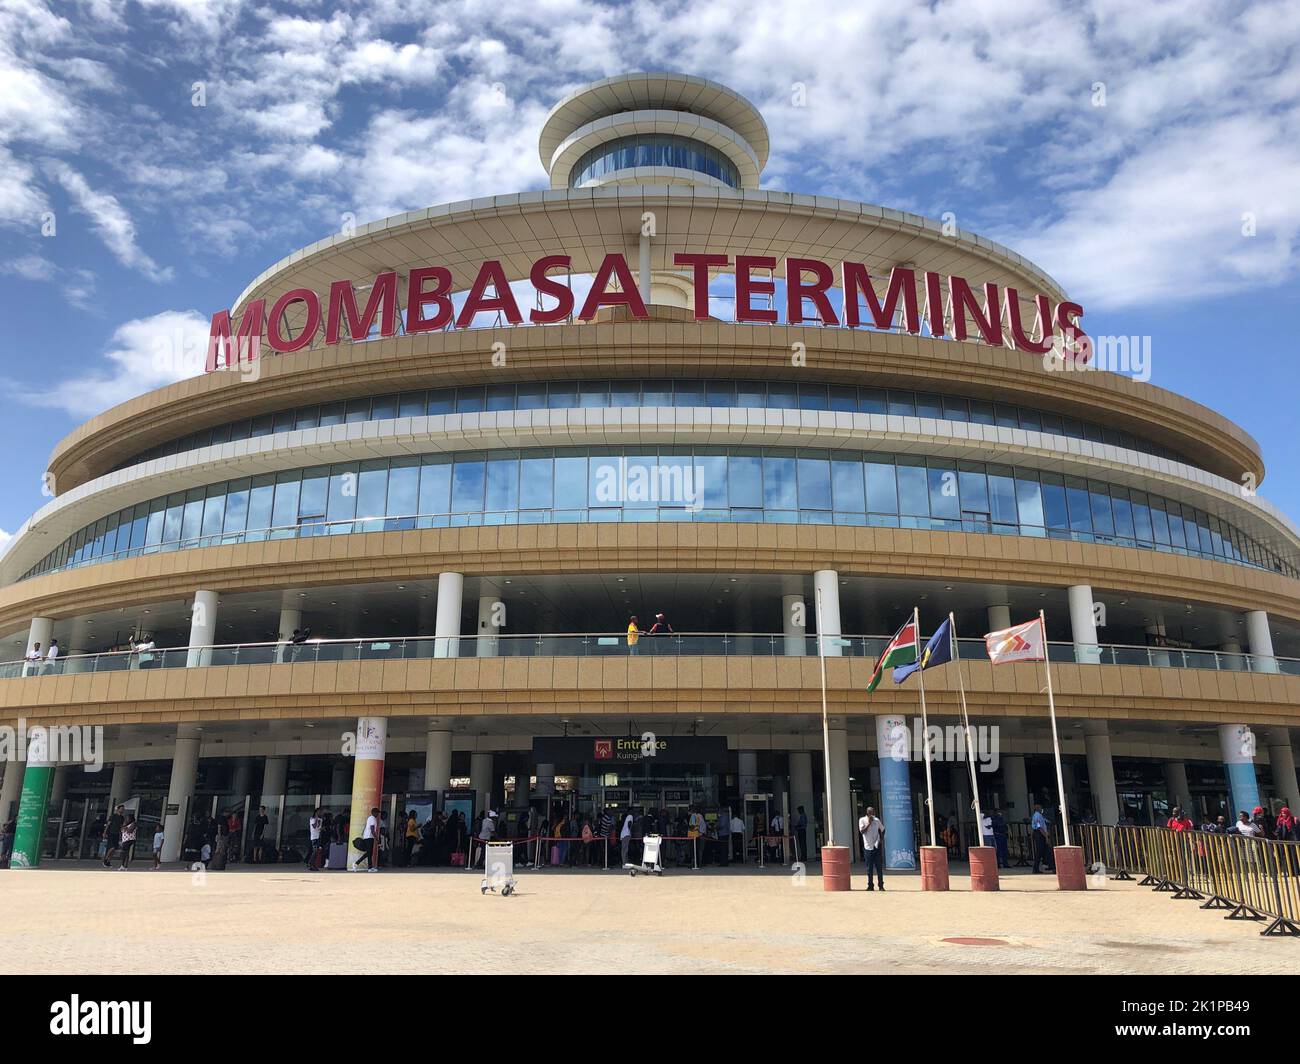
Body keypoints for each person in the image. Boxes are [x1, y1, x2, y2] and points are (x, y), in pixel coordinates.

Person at [858, 806, 885, 890]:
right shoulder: (862, 820)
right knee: (869, 868)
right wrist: (869, 823)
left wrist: (881, 839)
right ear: (868, 813)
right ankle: (870, 885)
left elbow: (883, 829)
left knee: (879, 867)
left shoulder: (877, 820)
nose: (873, 815)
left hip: (876, 846)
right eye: (871, 813)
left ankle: (881, 885)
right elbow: (862, 831)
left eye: (874, 813)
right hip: (868, 847)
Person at [353, 806, 381, 870]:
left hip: (367, 837)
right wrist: (377, 839)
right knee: (369, 852)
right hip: (369, 837)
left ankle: (370, 868)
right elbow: (372, 830)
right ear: (373, 812)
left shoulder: (370, 818)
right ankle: (356, 863)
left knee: (369, 853)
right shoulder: (373, 819)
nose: (378, 814)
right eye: (377, 813)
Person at [1030, 804, 1054, 872]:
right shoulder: (1037, 816)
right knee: (1040, 852)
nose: (1042, 809)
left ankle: (1050, 865)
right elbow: (1039, 827)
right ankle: (1036, 868)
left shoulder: (1038, 815)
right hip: (1040, 834)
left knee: (1046, 851)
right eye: (1041, 808)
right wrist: (1046, 836)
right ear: (1038, 808)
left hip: (1039, 833)